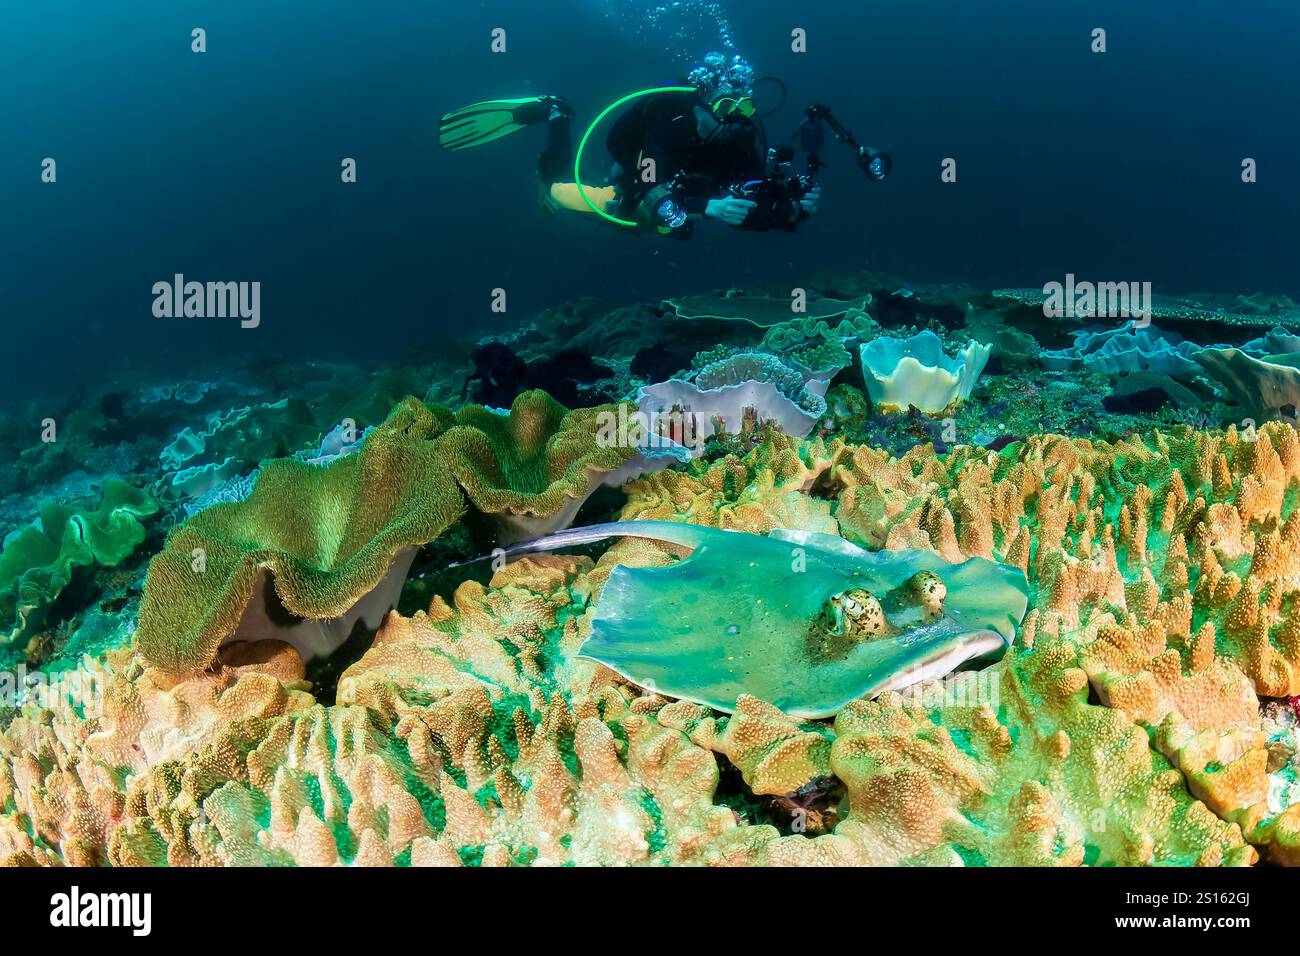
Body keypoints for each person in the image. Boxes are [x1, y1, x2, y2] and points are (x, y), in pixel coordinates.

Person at [438, 52, 821, 237]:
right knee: (567, 196)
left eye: (745, 108)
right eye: (725, 107)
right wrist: (710, 207)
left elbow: (751, 201)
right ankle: (555, 113)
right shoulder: (668, 130)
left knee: (670, 223)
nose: (735, 119)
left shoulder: (740, 138)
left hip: (682, 192)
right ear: (701, 106)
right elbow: (647, 190)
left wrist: (793, 209)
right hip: (636, 171)